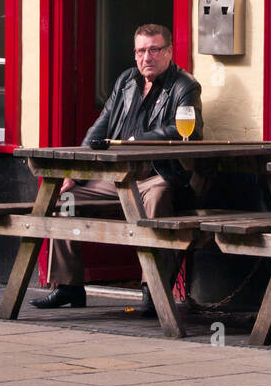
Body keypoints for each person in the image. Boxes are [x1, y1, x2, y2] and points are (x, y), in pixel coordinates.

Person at [32, 24, 203, 316]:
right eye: (141, 51)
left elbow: (188, 131)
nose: (146, 57)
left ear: (169, 52)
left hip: (157, 174)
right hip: (116, 177)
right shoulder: (126, 81)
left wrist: (137, 142)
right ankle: (68, 285)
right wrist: (75, 172)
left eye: (154, 50)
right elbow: (100, 127)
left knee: (158, 200)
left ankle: (154, 290)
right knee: (64, 201)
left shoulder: (185, 86)